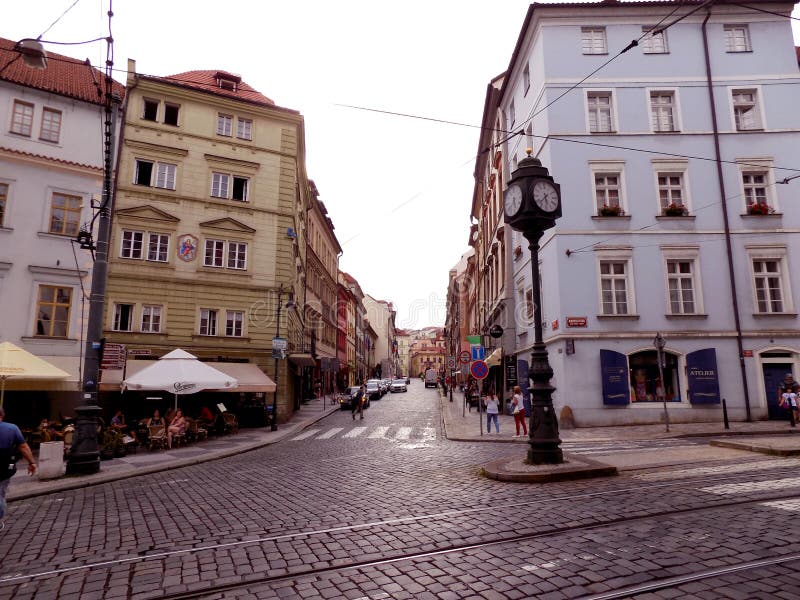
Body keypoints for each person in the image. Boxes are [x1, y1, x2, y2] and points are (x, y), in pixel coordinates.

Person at [0, 407, 37, 525]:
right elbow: (23, 447)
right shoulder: (12, 428)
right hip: (4, 467)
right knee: (1, 493)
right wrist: (32, 462)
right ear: (2, 415)